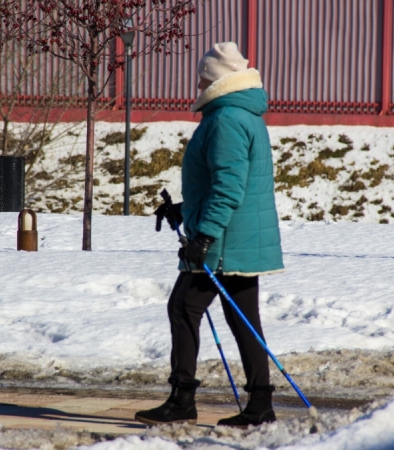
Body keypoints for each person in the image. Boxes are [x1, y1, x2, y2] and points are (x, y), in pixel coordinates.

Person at [136, 42, 284, 428]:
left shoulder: (226, 120)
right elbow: (231, 185)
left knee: (183, 307)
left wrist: (203, 237)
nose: (198, 81)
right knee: (243, 319)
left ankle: (182, 400)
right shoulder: (243, 115)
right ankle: (261, 404)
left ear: (217, 78)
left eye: (203, 75)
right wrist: (184, 210)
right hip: (237, 237)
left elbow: (230, 187)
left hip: (223, 242)